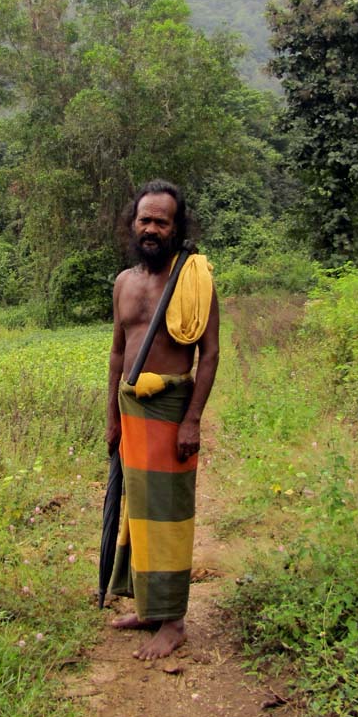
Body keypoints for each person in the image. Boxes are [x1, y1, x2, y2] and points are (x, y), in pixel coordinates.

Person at [106, 180, 219, 660]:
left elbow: (210, 354)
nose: (151, 229)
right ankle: (148, 608)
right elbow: (116, 354)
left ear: (177, 228)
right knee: (137, 514)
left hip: (172, 410)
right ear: (134, 224)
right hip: (131, 409)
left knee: (168, 517)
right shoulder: (123, 283)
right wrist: (111, 417)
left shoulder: (194, 280)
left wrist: (192, 420)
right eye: (144, 220)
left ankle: (173, 621)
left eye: (161, 221)